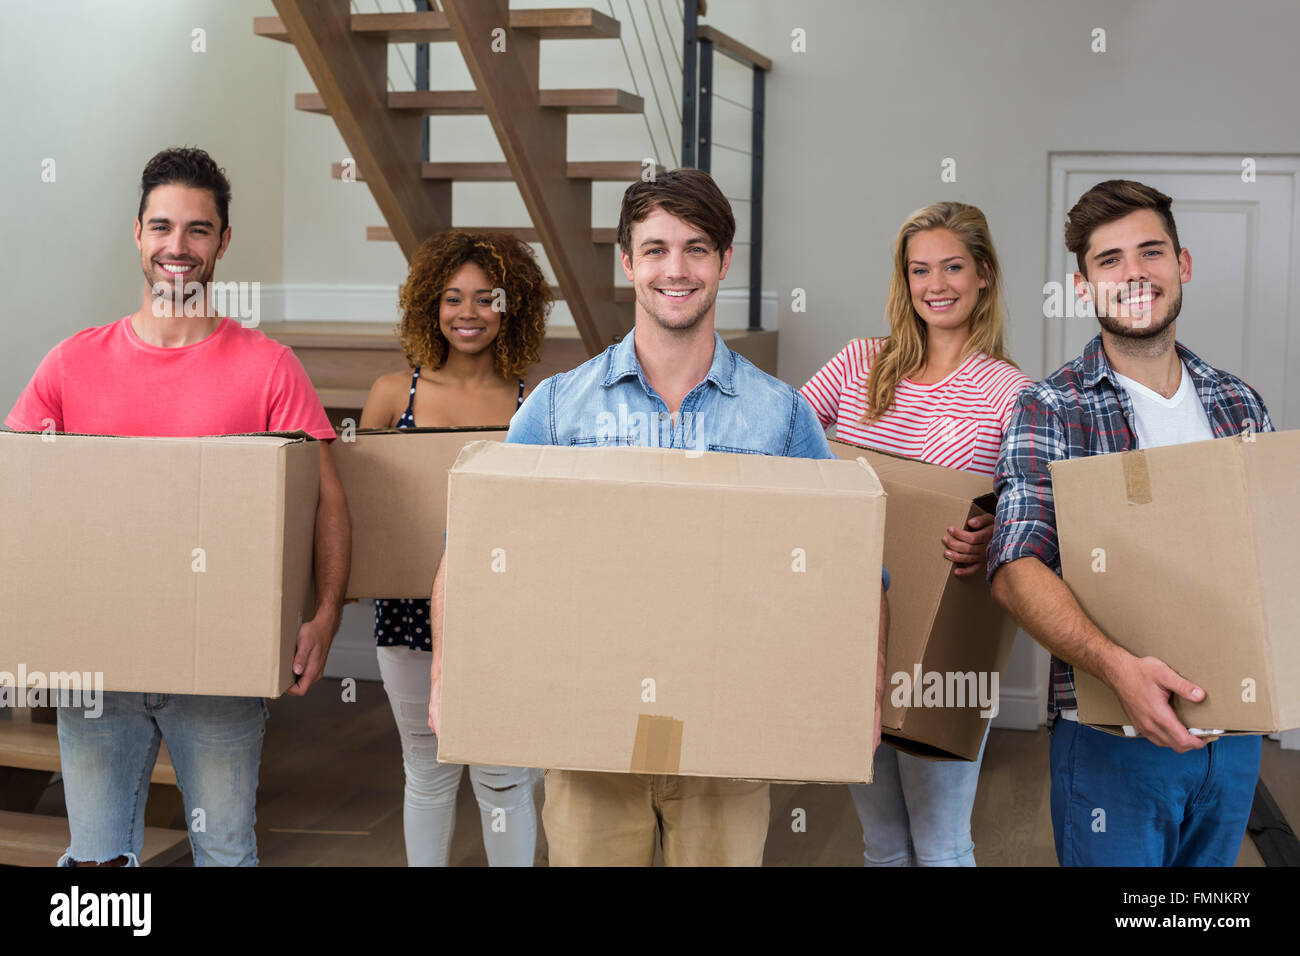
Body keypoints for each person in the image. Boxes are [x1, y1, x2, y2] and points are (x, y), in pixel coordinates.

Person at [427, 167, 889, 866]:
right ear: (628, 262)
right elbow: (470, 553)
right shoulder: (558, 409)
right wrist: (447, 676)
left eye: (696, 248)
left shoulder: (781, 416)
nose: (676, 269)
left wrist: (867, 689)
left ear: (724, 261)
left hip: (729, 743)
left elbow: (854, 570)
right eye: (656, 249)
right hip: (587, 741)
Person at [3, 146, 349, 866]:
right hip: (97, 665)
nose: (178, 246)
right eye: (162, 226)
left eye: (198, 229)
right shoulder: (71, 364)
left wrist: (324, 616)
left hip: (219, 666)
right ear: (137, 233)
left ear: (223, 241)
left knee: (224, 852)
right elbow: (18, 488)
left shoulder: (269, 368)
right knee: (96, 862)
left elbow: (326, 501)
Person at [989, 179, 1271, 866]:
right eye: (1109, 260)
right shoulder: (1051, 408)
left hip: (1235, 735)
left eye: (1151, 252)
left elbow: (1272, 555)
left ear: (1183, 264)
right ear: (1083, 285)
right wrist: (1119, 670)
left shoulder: (1238, 403)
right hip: (1111, 733)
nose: (1134, 273)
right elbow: (1016, 568)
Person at [801, 201, 1033, 866]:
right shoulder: (859, 363)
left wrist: (996, 532)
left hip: (947, 637)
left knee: (942, 845)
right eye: (919, 269)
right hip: (849, 623)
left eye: (953, 267)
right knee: (882, 844)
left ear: (984, 274)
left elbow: (1036, 510)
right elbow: (780, 444)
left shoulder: (1011, 392)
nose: (936, 284)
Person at [359, 231, 550, 866]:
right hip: (408, 609)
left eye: (486, 298)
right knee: (426, 765)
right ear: (429, 306)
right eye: (452, 298)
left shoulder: (533, 404)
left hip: (502, 612)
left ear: (512, 307)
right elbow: (366, 501)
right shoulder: (393, 394)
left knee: (503, 774)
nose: (468, 313)